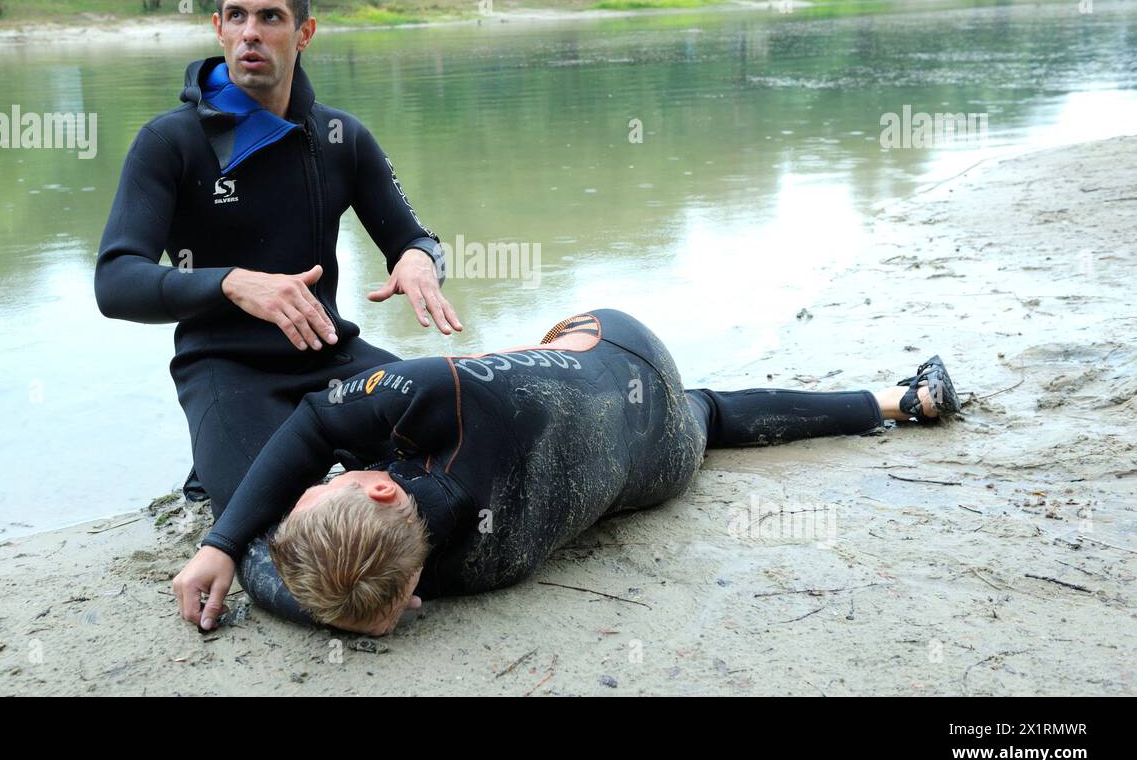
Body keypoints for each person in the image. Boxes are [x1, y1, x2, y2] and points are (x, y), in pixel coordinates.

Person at [172, 308, 959, 635]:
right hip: (616, 346)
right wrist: (228, 539)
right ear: (377, 483)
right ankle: (896, 397)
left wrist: (236, 542)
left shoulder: (479, 569)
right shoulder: (433, 391)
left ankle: (894, 400)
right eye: (326, 488)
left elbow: (342, 598)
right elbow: (316, 420)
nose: (314, 481)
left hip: (662, 462)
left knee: (709, 412)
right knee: (493, 368)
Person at [94, 0, 462, 521]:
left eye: (270, 17)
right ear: (218, 27)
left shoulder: (342, 137)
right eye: (237, 16)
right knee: (275, 518)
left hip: (333, 358)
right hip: (225, 366)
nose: (251, 33)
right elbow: (115, 281)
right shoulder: (168, 143)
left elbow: (416, 238)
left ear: (304, 33)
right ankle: (218, 457)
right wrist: (233, 284)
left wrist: (418, 259)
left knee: (461, 438)